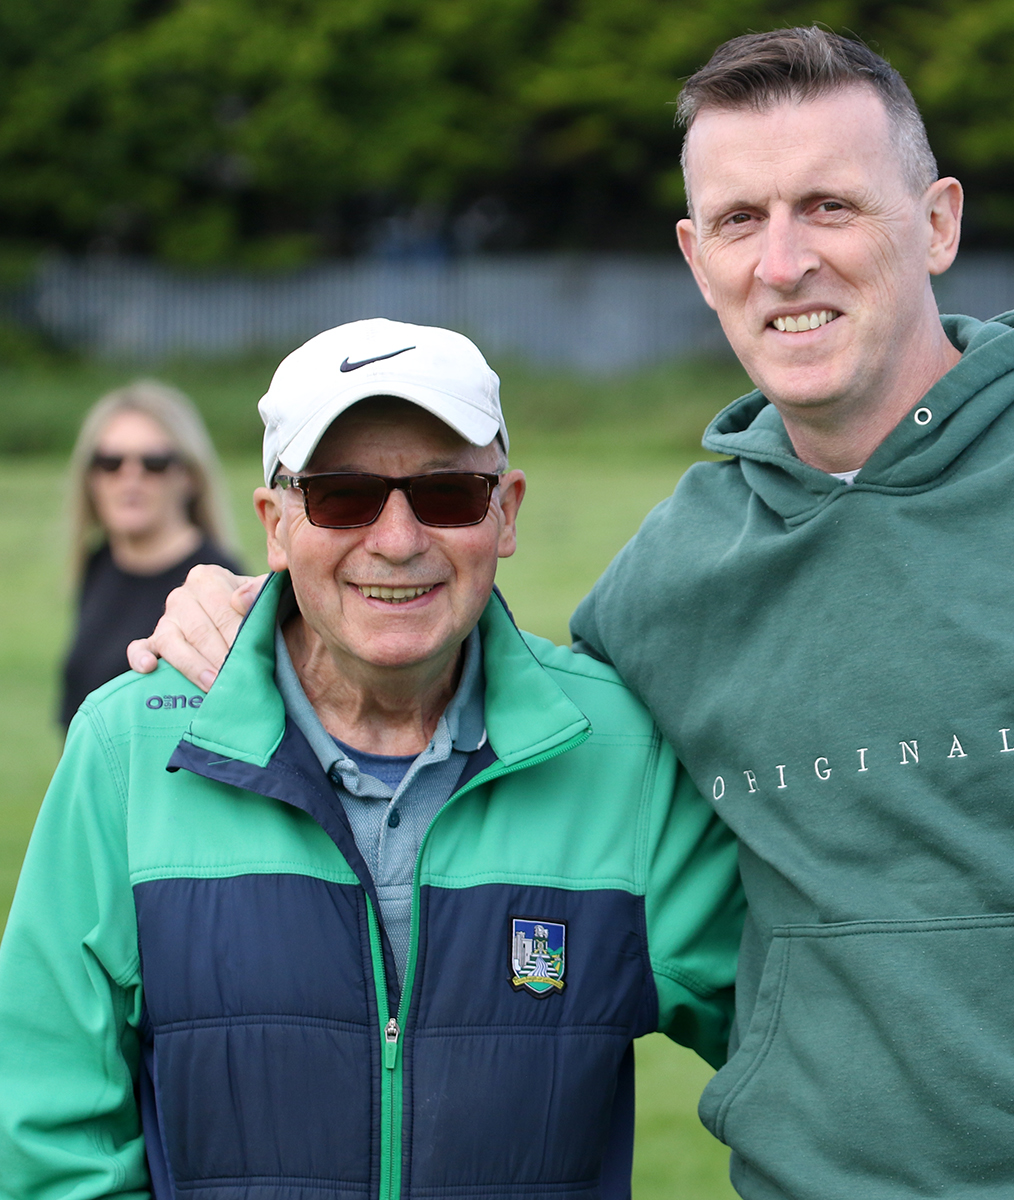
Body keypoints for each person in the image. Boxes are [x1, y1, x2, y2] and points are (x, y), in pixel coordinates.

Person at [118, 37, 1014, 1200]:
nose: (785, 260)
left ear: (939, 221)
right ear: (697, 256)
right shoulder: (663, 589)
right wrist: (252, 616)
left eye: (831, 207)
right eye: (744, 219)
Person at [0, 319, 744, 1199]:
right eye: (344, 496)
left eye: (448, 494)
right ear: (275, 526)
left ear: (504, 513)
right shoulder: (128, 749)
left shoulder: (626, 753)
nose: (396, 540)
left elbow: (805, 1042)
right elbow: (50, 1139)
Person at [59, 380, 241, 727]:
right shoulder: (97, 564)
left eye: (153, 462)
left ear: (188, 475)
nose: (130, 476)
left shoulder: (215, 584)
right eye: (110, 462)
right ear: (90, 477)